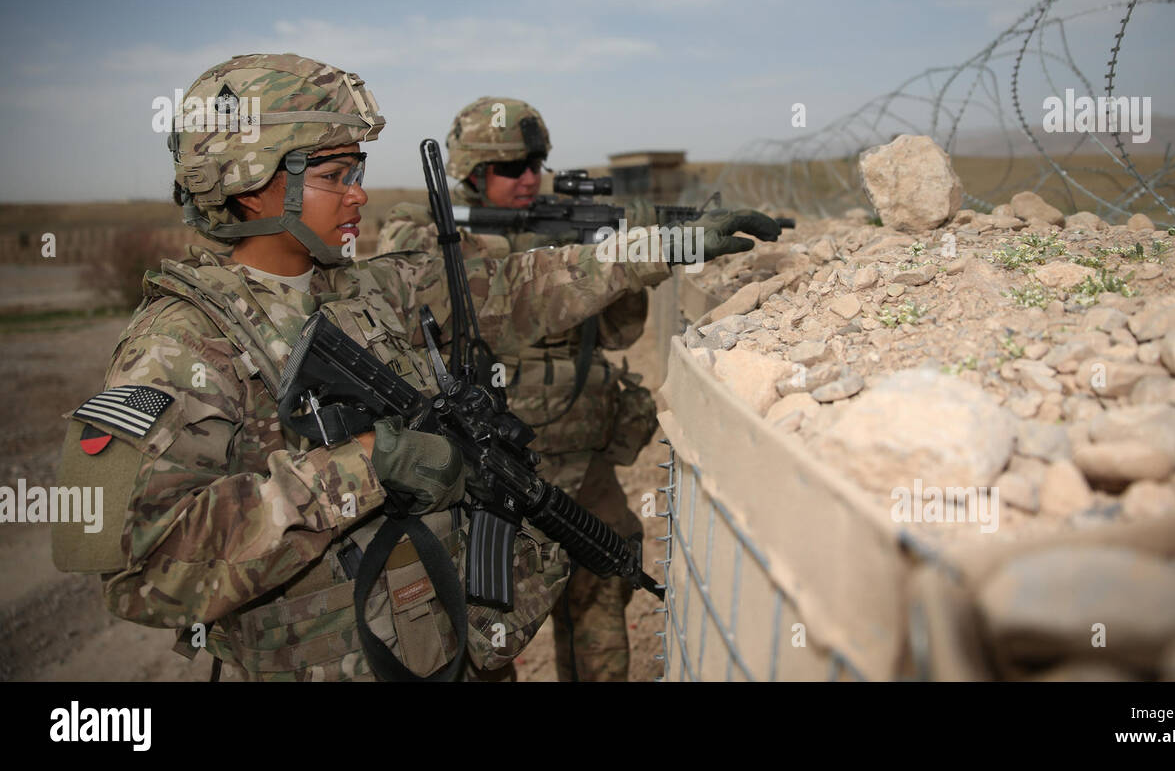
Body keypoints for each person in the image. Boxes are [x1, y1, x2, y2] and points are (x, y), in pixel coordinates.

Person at [50, 56, 716, 682]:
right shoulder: (178, 345)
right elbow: (140, 567)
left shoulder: (376, 289)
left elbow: (528, 284)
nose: (357, 197)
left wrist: (673, 243)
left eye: (356, 173)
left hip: (453, 645)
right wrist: (366, 465)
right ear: (250, 187)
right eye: (334, 177)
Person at [377, 97, 776, 681]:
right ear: (470, 173)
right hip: (486, 467)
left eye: (535, 164)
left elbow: (620, 333)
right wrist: (572, 256)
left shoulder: (568, 225)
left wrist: (609, 262)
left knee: (600, 595)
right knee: (485, 616)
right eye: (511, 168)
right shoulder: (427, 231)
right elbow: (481, 294)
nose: (530, 178)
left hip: (584, 459)